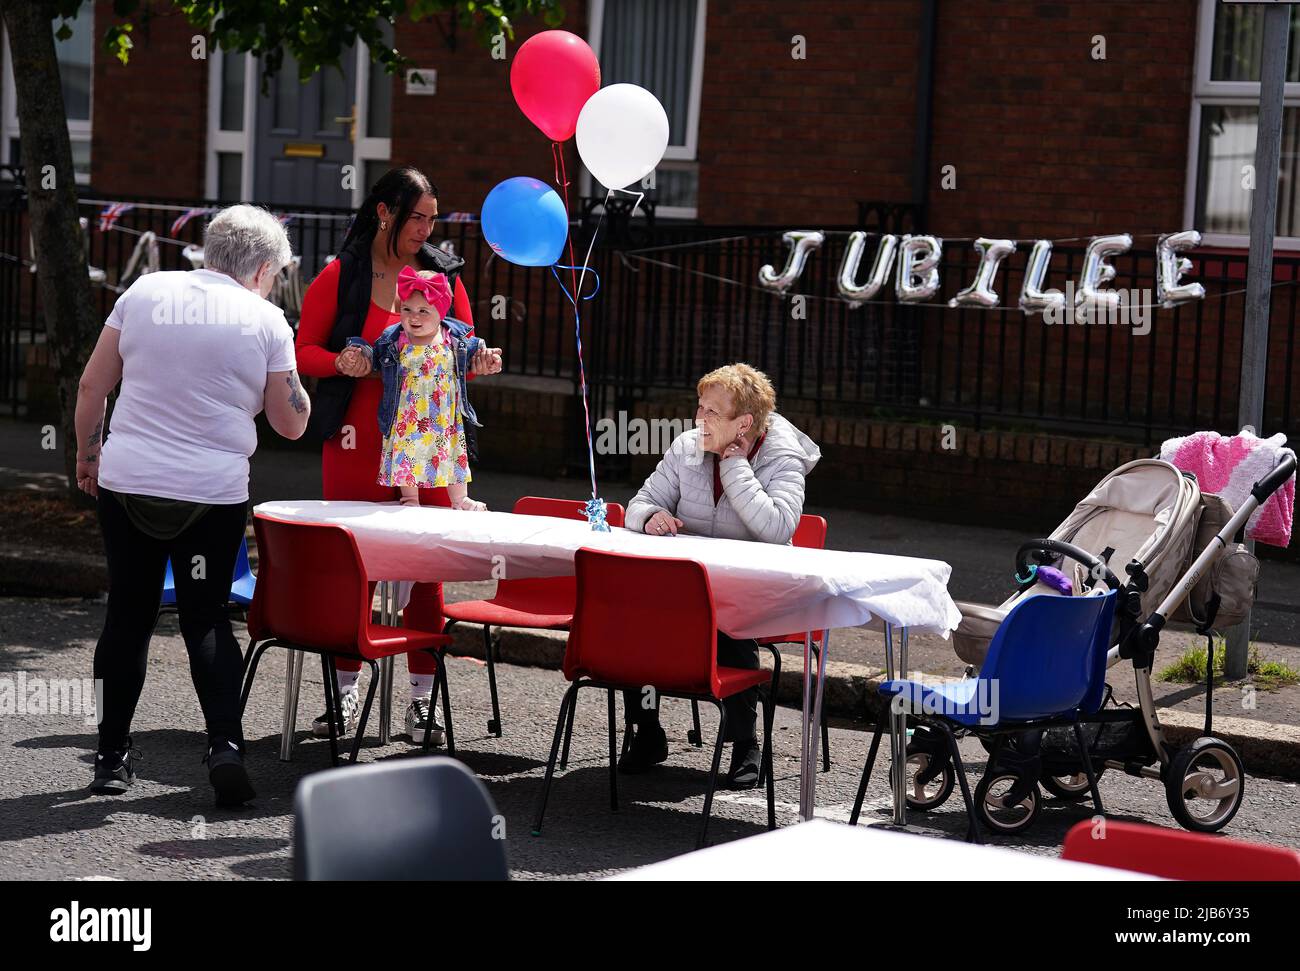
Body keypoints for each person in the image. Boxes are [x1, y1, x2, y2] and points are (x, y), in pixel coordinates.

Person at [76, 204, 307, 806]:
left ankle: (109, 756)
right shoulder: (267, 320)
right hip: (210, 496)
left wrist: (87, 456)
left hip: (129, 482)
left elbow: (92, 386)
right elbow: (289, 424)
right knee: (206, 618)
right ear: (260, 269)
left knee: (128, 616)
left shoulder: (146, 291)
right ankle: (225, 746)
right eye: (277, 273)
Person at [295, 166, 502, 746]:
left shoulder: (442, 275)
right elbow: (302, 349)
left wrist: (479, 362)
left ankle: (421, 706)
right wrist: (339, 362)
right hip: (357, 444)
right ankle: (342, 700)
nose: (428, 229)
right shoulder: (343, 275)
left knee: (426, 573)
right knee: (352, 570)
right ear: (385, 212)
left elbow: (460, 348)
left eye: (434, 218)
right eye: (419, 217)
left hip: (430, 447)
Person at [622, 363, 821, 788]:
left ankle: (745, 744)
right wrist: (652, 516)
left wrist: (735, 467)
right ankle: (648, 733)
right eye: (700, 407)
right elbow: (639, 503)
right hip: (690, 585)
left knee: (729, 629)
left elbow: (777, 529)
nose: (699, 420)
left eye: (712, 412)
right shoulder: (686, 446)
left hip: (754, 591)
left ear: (744, 423)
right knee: (632, 619)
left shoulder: (783, 458)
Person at [375, 267, 487, 510]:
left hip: (443, 415)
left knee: (452, 452)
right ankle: (409, 498)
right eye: (407, 310)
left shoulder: (452, 338)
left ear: (441, 313)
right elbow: (374, 355)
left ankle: (460, 499)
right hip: (408, 413)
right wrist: (359, 353)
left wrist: (489, 358)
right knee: (407, 451)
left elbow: (478, 352)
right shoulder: (396, 340)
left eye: (423, 311)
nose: (413, 317)